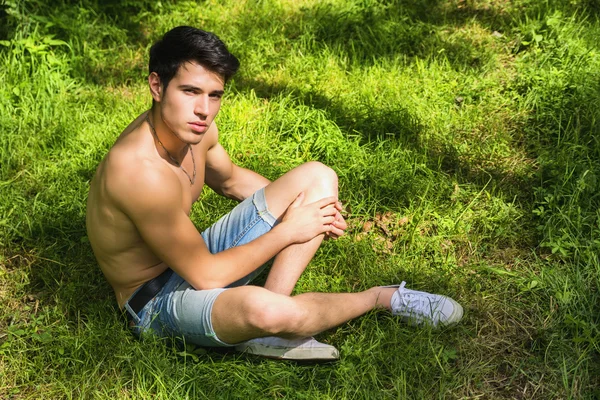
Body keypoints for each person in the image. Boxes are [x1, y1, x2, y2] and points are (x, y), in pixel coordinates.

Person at [85, 26, 463, 361]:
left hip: (191, 255)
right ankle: (380, 298)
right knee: (269, 312)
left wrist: (306, 207)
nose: (203, 110)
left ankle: (267, 328)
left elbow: (232, 181)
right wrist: (290, 230)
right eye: (190, 91)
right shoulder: (138, 173)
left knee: (317, 178)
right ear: (156, 86)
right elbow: (207, 275)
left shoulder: (195, 133)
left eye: (214, 95)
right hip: (154, 301)